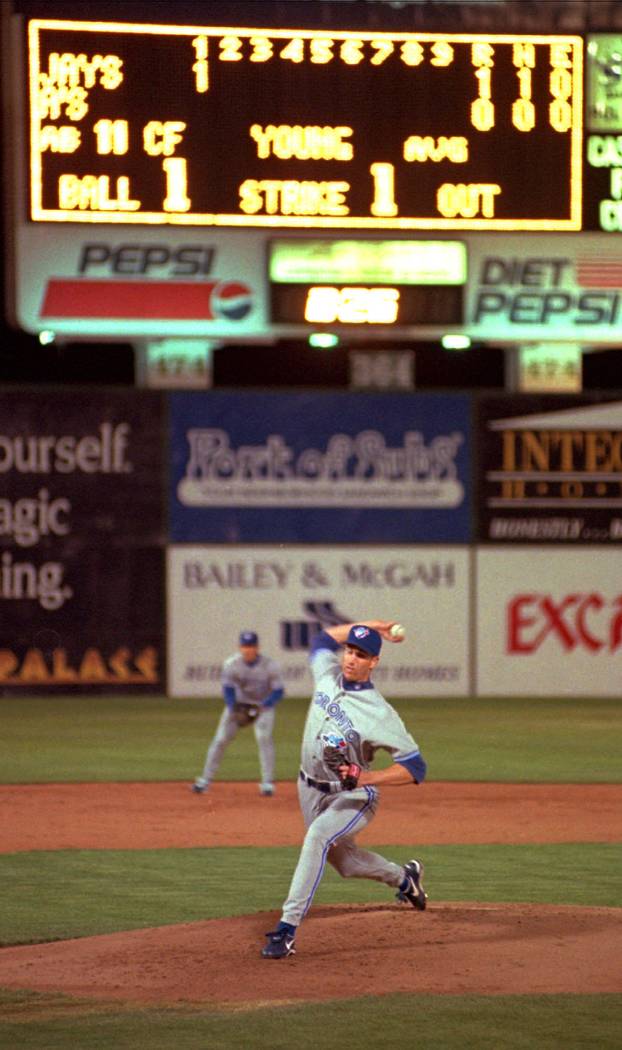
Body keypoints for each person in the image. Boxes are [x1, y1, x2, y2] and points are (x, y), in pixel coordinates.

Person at [261, 619, 427, 960]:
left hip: (352, 795)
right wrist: (371, 624)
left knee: (318, 838)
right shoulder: (327, 673)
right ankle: (404, 879)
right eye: (350, 651)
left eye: (361, 654)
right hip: (308, 787)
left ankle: (286, 929)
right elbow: (322, 638)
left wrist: (368, 779)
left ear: (374, 662)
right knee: (347, 864)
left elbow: (415, 767)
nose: (351, 659)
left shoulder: (379, 713)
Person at [192, 630, 285, 797]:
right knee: (220, 739)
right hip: (238, 705)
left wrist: (265, 705)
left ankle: (267, 783)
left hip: (263, 707)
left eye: (251, 646)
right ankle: (204, 780)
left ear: (257, 647)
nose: (248, 649)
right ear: (240, 647)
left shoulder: (270, 665)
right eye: (245, 646)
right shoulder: (231, 664)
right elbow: (227, 689)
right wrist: (232, 706)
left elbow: (278, 691)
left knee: (264, 739)